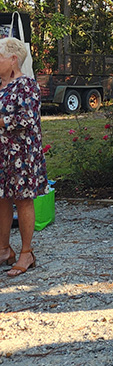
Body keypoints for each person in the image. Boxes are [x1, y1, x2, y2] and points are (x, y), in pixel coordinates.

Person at [0, 37, 48, 278]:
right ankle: (3, 250)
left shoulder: (26, 85)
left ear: (13, 59)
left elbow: (27, 119)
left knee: (23, 200)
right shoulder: (0, 85)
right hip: (2, 154)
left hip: (21, 154)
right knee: (1, 199)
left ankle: (26, 253)